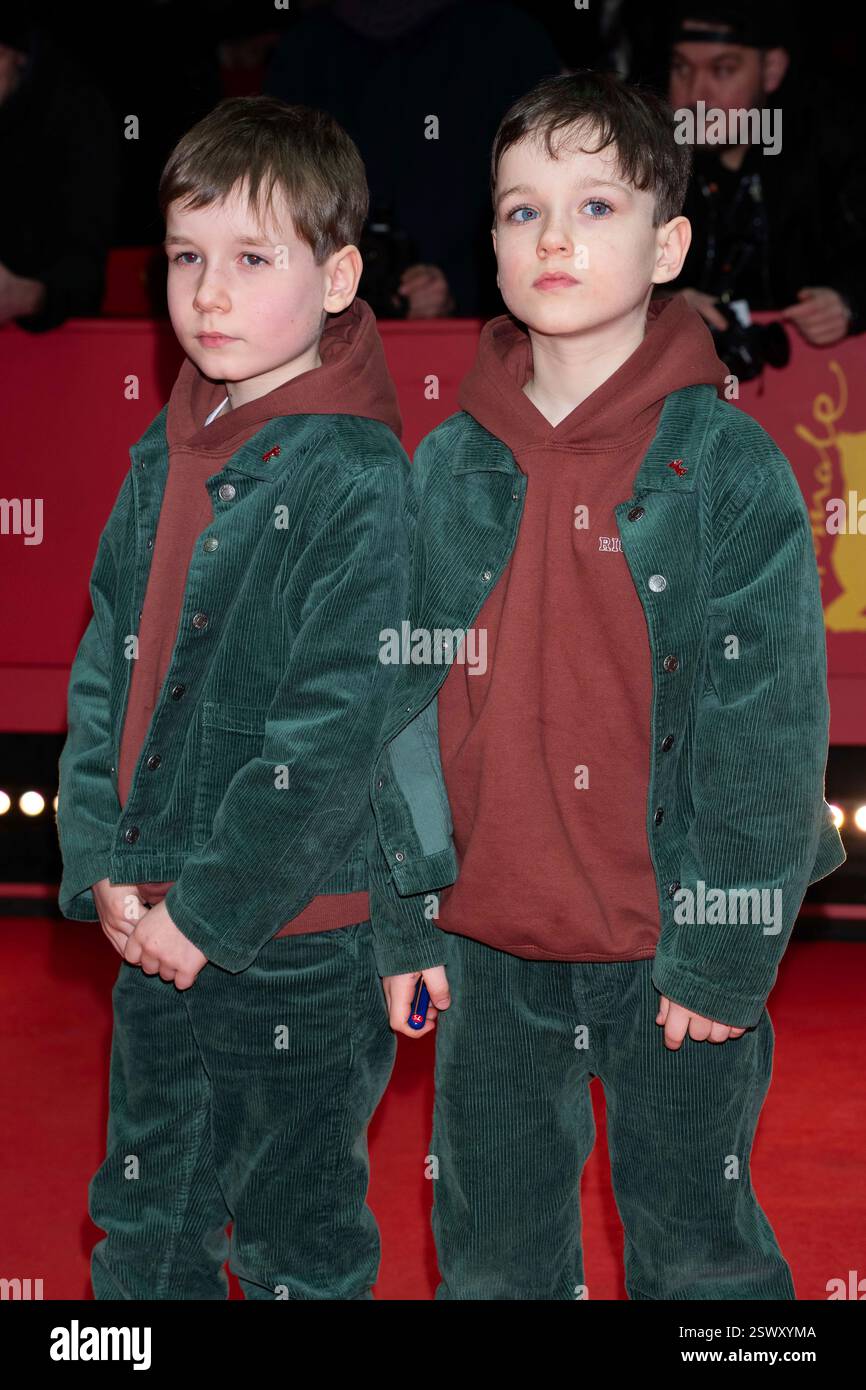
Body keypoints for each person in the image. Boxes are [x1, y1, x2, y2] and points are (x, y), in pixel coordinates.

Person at [366, 69, 847, 1299]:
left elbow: (766, 729)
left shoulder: (727, 469)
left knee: (701, 1260)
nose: (553, 237)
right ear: (490, 245)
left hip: (672, 944)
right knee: (491, 1264)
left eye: (594, 205)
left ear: (666, 245)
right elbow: (392, 720)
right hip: (486, 947)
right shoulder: (441, 468)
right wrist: (402, 919)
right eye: (521, 210)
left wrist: (724, 949)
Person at [56, 95, 411, 1300]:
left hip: (297, 938)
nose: (208, 292)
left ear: (336, 278)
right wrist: (102, 855)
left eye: (252, 260)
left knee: (293, 1241)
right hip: (150, 911)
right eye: (185, 257)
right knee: (144, 1218)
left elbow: (337, 731)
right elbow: (104, 667)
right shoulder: (165, 449)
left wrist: (209, 909)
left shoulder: (358, 475)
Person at [665, 1, 866, 345]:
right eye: (681, 68)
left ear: (771, 69)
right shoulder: (646, 160)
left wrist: (849, 301)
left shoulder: (830, 150)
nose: (697, 95)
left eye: (723, 70)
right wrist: (655, 305)